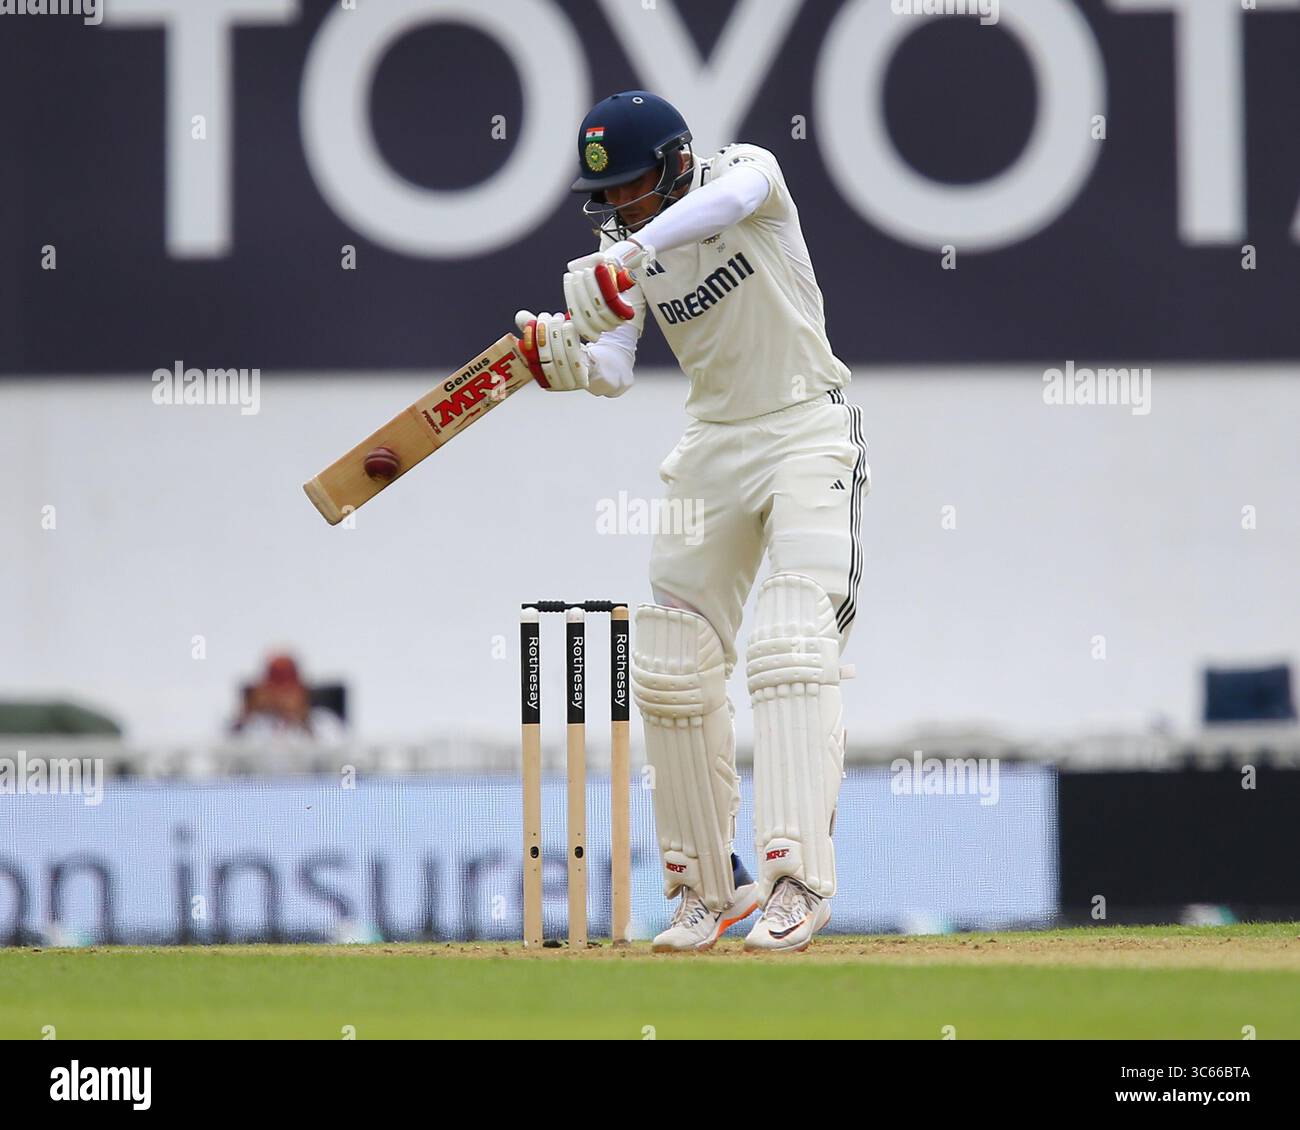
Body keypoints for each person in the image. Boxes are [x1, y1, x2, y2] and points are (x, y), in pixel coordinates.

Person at [516, 91, 870, 953]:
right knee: (671, 660)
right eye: (612, 197)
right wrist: (563, 364)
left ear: (677, 161)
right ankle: (708, 893)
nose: (622, 207)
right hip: (713, 440)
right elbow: (615, 366)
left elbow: (728, 205)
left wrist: (628, 255)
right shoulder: (619, 248)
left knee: (790, 641)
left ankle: (797, 882)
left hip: (804, 422)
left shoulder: (750, 174)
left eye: (637, 187)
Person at [229, 653, 344, 745]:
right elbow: (226, 749)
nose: (281, 699)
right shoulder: (255, 725)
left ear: (302, 692)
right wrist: (246, 718)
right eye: (275, 692)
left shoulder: (324, 722)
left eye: (288, 692)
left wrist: (304, 724)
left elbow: (334, 753)